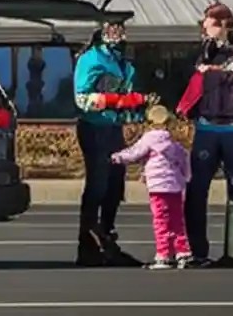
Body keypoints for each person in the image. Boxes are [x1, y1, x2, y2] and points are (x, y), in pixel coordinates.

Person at [175, 0, 233, 268]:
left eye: (209, 26)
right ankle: (196, 250)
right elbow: (197, 84)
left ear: (224, 25)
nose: (205, 31)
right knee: (196, 190)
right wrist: (185, 107)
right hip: (207, 126)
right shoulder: (205, 52)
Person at [72, 20, 154, 267]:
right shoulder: (90, 59)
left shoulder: (123, 62)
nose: (119, 31)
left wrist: (138, 111)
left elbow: (131, 97)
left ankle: (106, 238)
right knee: (98, 185)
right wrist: (121, 101)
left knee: (115, 187)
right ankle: (87, 244)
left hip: (114, 128)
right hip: (94, 128)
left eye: (122, 26)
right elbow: (82, 99)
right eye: (113, 26)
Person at [110, 104, 192, 269]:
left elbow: (134, 153)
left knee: (160, 221)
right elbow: (184, 159)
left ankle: (163, 254)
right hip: (175, 186)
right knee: (177, 220)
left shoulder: (148, 139)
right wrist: (185, 177)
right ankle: (182, 252)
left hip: (157, 188)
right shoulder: (172, 141)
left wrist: (116, 157)